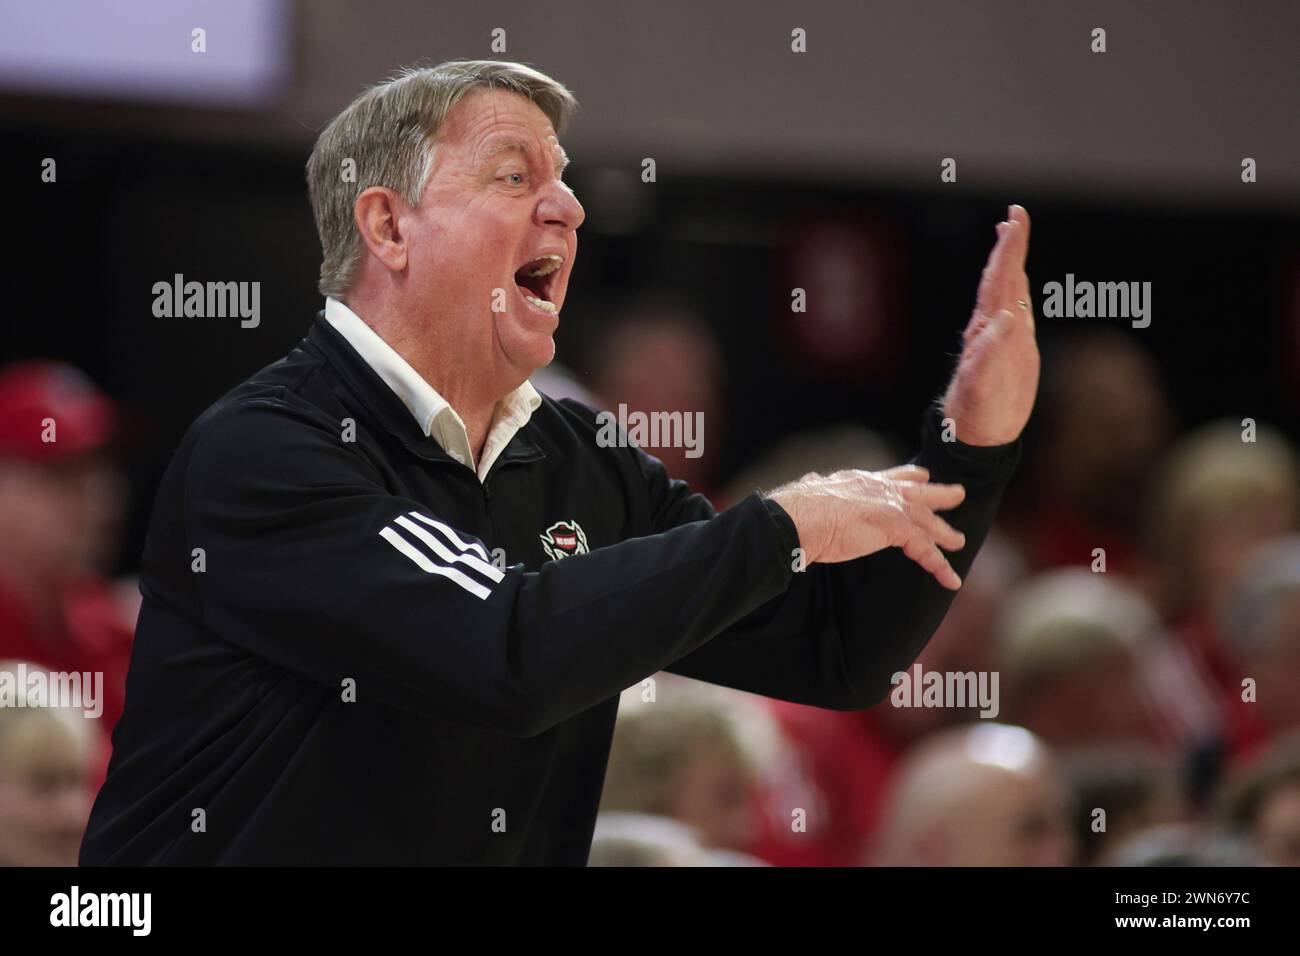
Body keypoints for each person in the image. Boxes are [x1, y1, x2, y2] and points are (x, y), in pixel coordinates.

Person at [81, 60, 1038, 865]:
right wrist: (783, 524)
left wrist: (972, 446)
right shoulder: (268, 448)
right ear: (388, 226)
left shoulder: (580, 457)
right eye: (512, 176)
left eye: (565, 176)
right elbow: (505, 649)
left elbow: (840, 649)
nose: (570, 206)